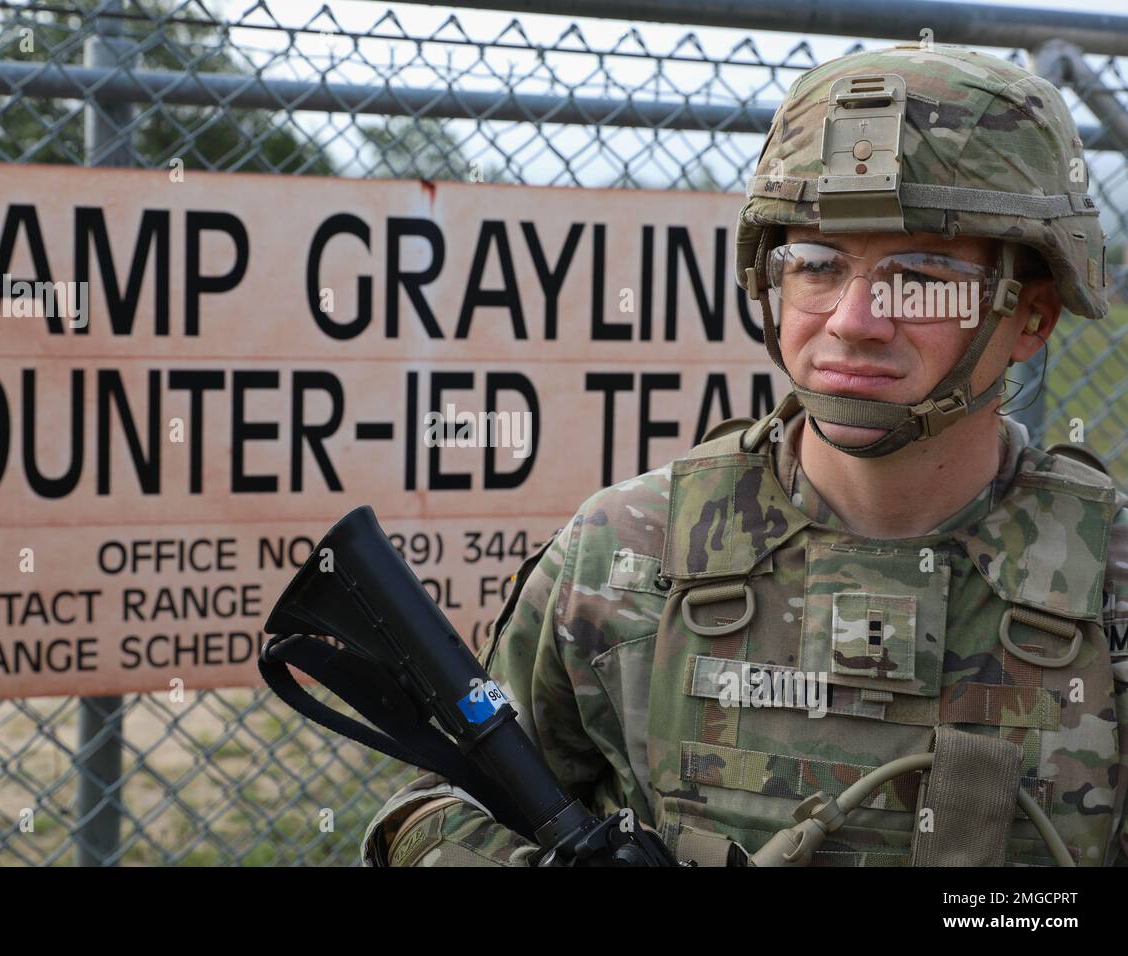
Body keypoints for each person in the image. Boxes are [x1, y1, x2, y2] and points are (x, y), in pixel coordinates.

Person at [361, 43, 1128, 867]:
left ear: (1033, 316)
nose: (853, 318)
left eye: (922, 275)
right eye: (817, 265)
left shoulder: (1109, 583)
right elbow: (433, 809)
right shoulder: (628, 551)